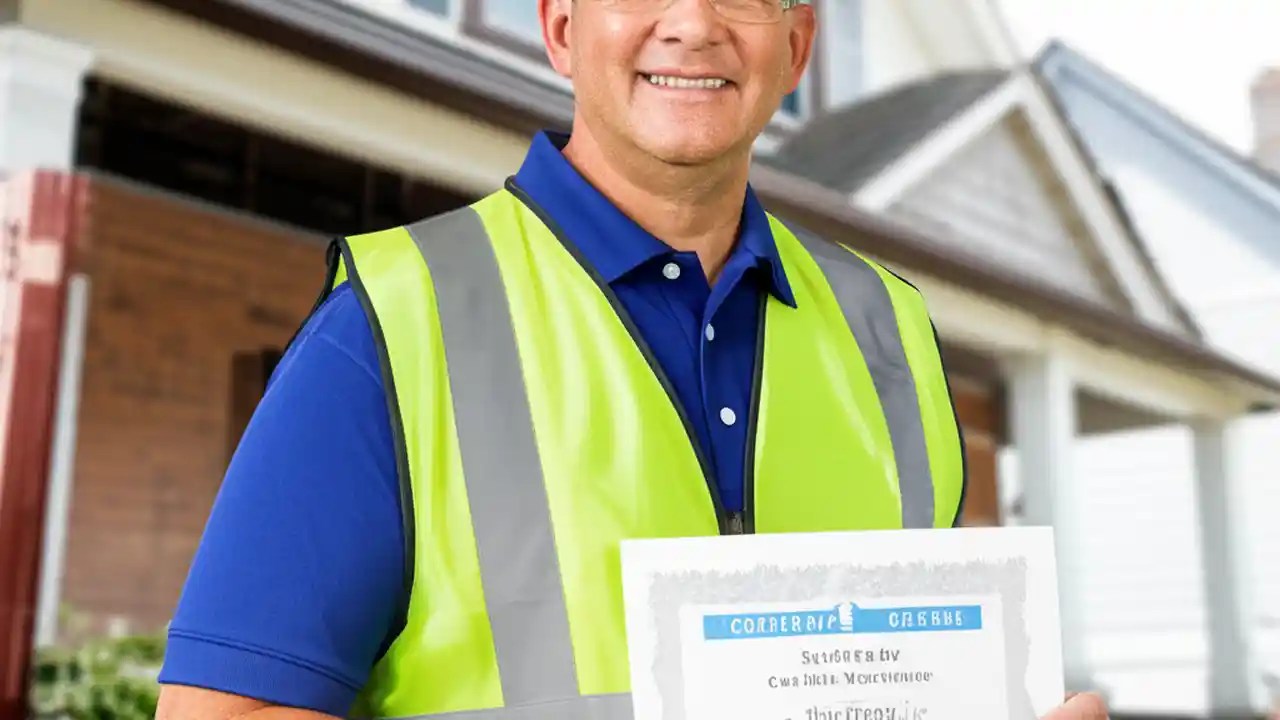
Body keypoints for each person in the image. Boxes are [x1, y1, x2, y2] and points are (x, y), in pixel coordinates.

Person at [155, 1, 1108, 718]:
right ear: (562, 29)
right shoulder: (394, 322)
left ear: (798, 48)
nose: (692, 26)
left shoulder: (889, 332)